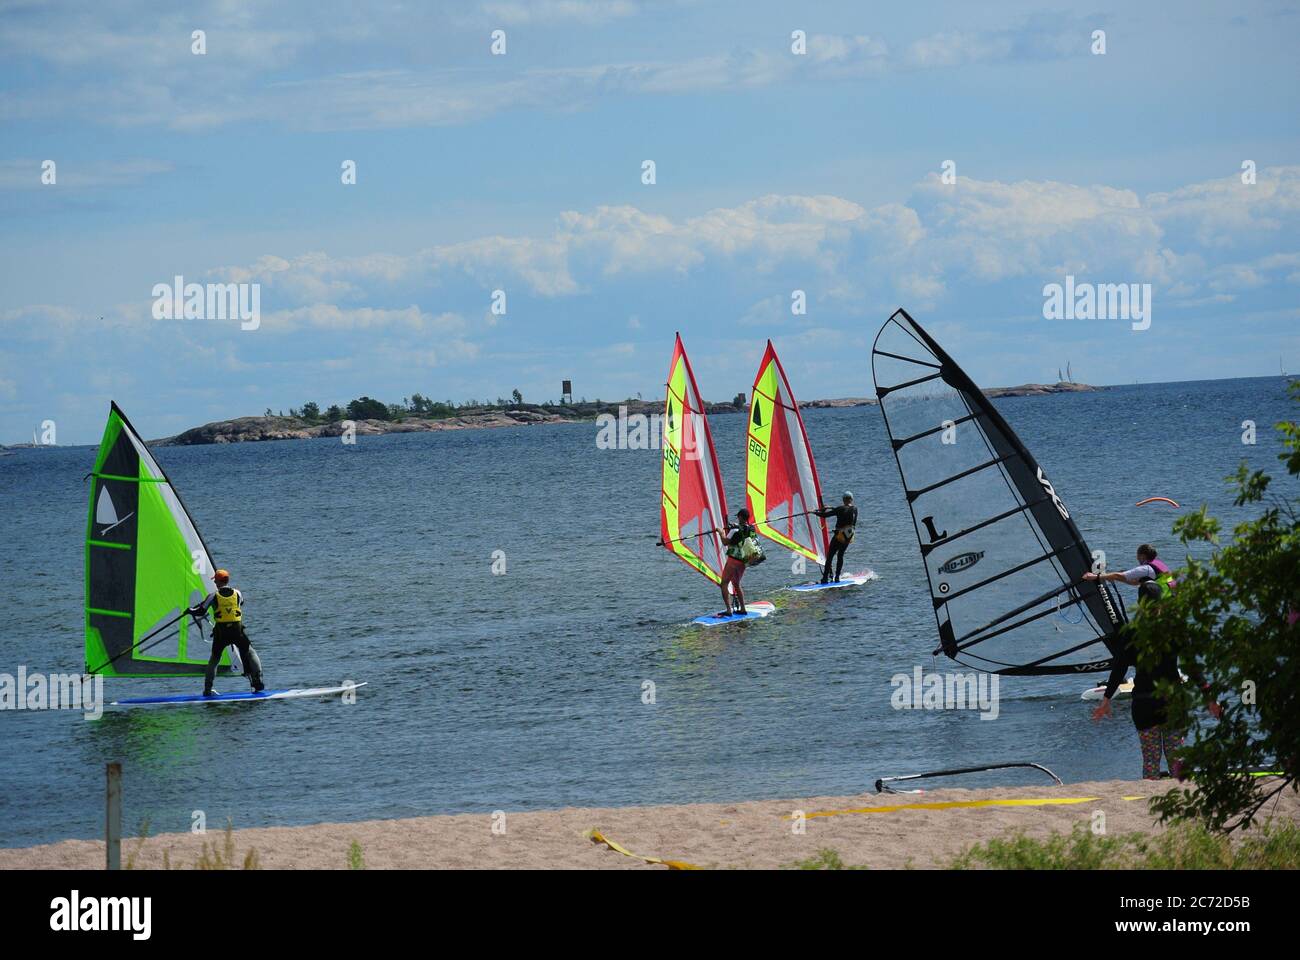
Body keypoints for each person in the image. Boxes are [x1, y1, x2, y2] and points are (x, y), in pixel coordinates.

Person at [1089, 581, 1221, 780]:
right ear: (1161, 603)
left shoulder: (1131, 633)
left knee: (1150, 761)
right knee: (1177, 759)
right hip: (1172, 702)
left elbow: (1119, 668)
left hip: (1143, 704)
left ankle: (1149, 804)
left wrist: (1106, 699)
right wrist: (1209, 698)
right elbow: (1192, 667)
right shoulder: (1174, 629)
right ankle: (1182, 799)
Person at [189, 568, 265, 696]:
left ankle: (207, 689)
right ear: (227, 580)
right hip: (237, 631)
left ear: (218, 581)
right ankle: (258, 681)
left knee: (214, 659)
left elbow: (201, 611)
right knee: (251, 652)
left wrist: (190, 610)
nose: (215, 583)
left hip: (221, 633)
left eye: (216, 581)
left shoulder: (213, 596)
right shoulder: (238, 593)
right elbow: (241, 604)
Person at [1081, 543, 1176, 597]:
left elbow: (1120, 575)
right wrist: (1110, 577)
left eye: (1137, 555)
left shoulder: (1145, 569)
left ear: (1142, 556)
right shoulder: (1158, 564)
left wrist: (1095, 576)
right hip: (1170, 597)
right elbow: (1135, 582)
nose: (1137, 558)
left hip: (1162, 598)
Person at [719, 508, 758, 618]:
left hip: (734, 560)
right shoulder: (751, 528)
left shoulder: (735, 531)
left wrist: (721, 532)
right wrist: (735, 526)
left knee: (724, 583)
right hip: (744, 561)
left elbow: (725, 542)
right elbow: (741, 532)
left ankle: (728, 610)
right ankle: (743, 608)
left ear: (740, 517)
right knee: (736, 583)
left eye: (738, 516)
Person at [814, 492, 858, 584]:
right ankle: (837, 577)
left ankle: (825, 579)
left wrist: (815, 513)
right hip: (849, 536)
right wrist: (831, 507)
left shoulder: (840, 509)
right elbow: (844, 511)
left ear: (843, 499)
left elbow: (825, 515)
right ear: (851, 499)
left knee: (830, 556)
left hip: (839, 536)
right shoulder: (855, 509)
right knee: (840, 555)